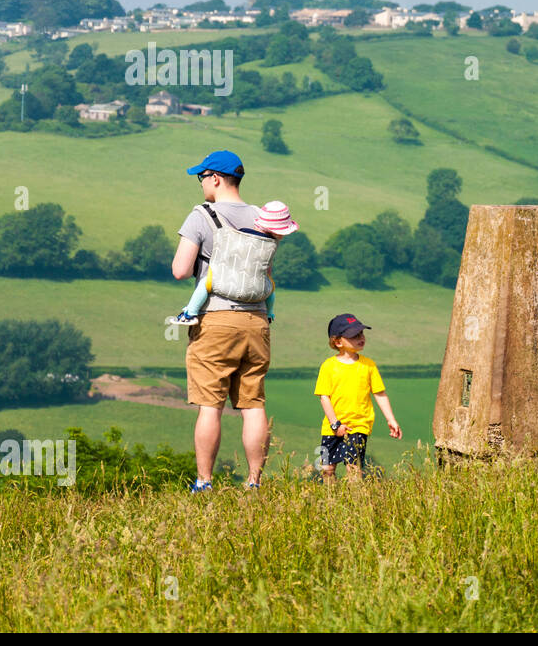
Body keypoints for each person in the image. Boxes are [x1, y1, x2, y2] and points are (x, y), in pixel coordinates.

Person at [171, 150, 273, 492]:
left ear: (215, 178)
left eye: (202, 177)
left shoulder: (202, 215)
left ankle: (204, 482)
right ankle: (255, 483)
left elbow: (181, 270)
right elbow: (267, 274)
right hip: (257, 320)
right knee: (253, 404)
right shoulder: (263, 217)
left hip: (215, 319)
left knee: (210, 406)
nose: (201, 183)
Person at [166, 201, 298, 327]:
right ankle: (269, 313)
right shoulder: (271, 244)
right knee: (270, 290)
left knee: (205, 283)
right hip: (257, 294)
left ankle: (190, 313)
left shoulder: (243, 233)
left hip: (226, 286)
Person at [315, 313, 402, 482]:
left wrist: (391, 419)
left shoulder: (369, 365)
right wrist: (335, 424)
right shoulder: (328, 366)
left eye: (361, 334)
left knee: (353, 468)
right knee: (327, 469)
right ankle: (329, 502)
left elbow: (380, 393)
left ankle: (355, 503)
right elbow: (324, 397)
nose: (360, 338)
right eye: (354, 336)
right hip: (331, 427)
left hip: (358, 426)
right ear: (338, 342)